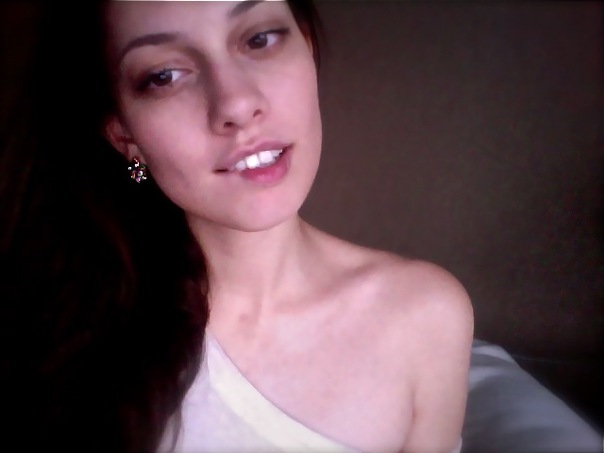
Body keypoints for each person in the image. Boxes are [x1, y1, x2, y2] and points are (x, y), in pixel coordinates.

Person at [0, 1, 473, 452]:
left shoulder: (427, 316)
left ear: (307, 47)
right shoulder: (57, 334)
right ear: (125, 137)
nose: (237, 104)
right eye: (164, 76)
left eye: (260, 38)